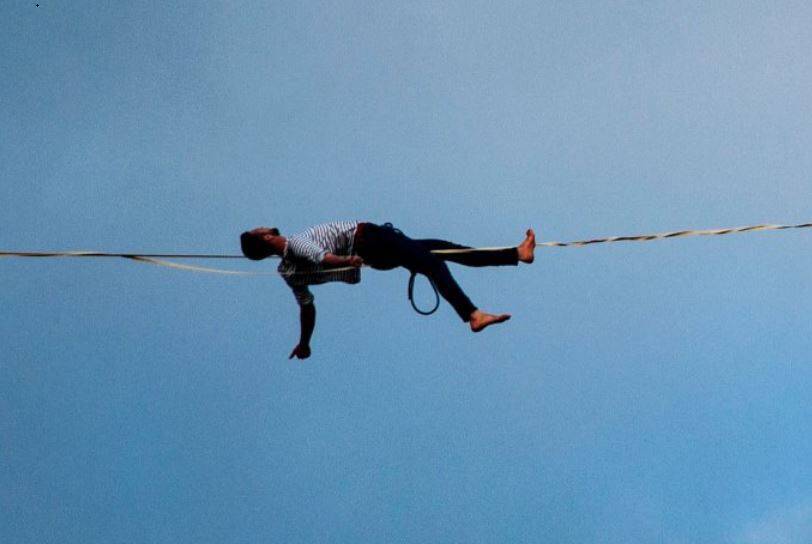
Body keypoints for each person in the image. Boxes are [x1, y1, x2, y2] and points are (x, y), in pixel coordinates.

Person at [240, 221, 536, 359]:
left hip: (374, 248)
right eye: (258, 229)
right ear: (265, 238)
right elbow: (320, 256)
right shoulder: (292, 244)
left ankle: (516, 254)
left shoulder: (289, 271)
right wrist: (344, 259)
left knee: (447, 251)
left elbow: (306, 306)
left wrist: (305, 342)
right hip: (371, 241)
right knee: (434, 262)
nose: (263, 226)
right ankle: (472, 314)